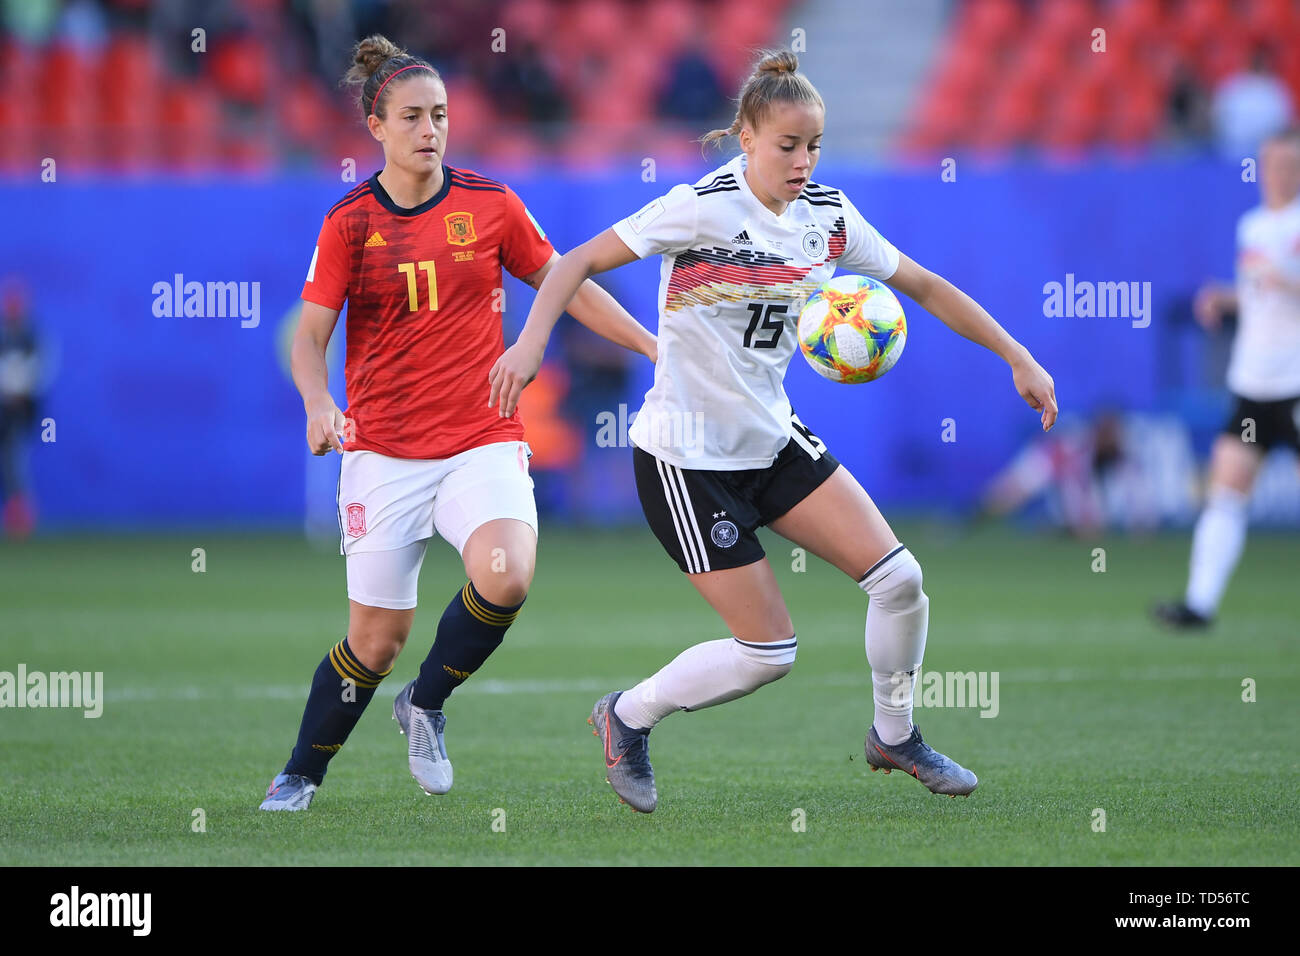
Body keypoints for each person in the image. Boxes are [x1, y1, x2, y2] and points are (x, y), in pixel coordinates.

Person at [490, 50, 1058, 812]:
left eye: (814, 144)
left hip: (772, 440)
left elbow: (921, 284)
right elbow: (577, 262)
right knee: (769, 654)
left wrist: (1017, 355)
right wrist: (529, 345)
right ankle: (627, 715)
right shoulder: (700, 207)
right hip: (686, 461)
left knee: (901, 582)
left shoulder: (827, 217)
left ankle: (894, 735)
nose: (803, 160)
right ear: (746, 138)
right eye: (787, 145)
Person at [260, 35, 655, 811]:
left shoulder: (493, 204)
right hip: (382, 449)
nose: (429, 129)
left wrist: (651, 347)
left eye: (439, 114)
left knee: (506, 573)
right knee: (375, 643)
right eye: (411, 116)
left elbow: (567, 281)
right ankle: (300, 772)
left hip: (482, 436)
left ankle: (427, 704)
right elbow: (310, 338)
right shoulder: (349, 224)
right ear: (376, 125)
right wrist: (316, 402)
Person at [1154, 126, 1300, 631]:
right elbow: (1258, 293)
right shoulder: (1253, 225)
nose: (1279, 173)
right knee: (1226, 491)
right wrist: (1223, 297)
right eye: (1272, 163)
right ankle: (1199, 604)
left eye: (1289, 164)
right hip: (1252, 382)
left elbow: (1283, 284)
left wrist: (1287, 280)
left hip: (1295, 382)